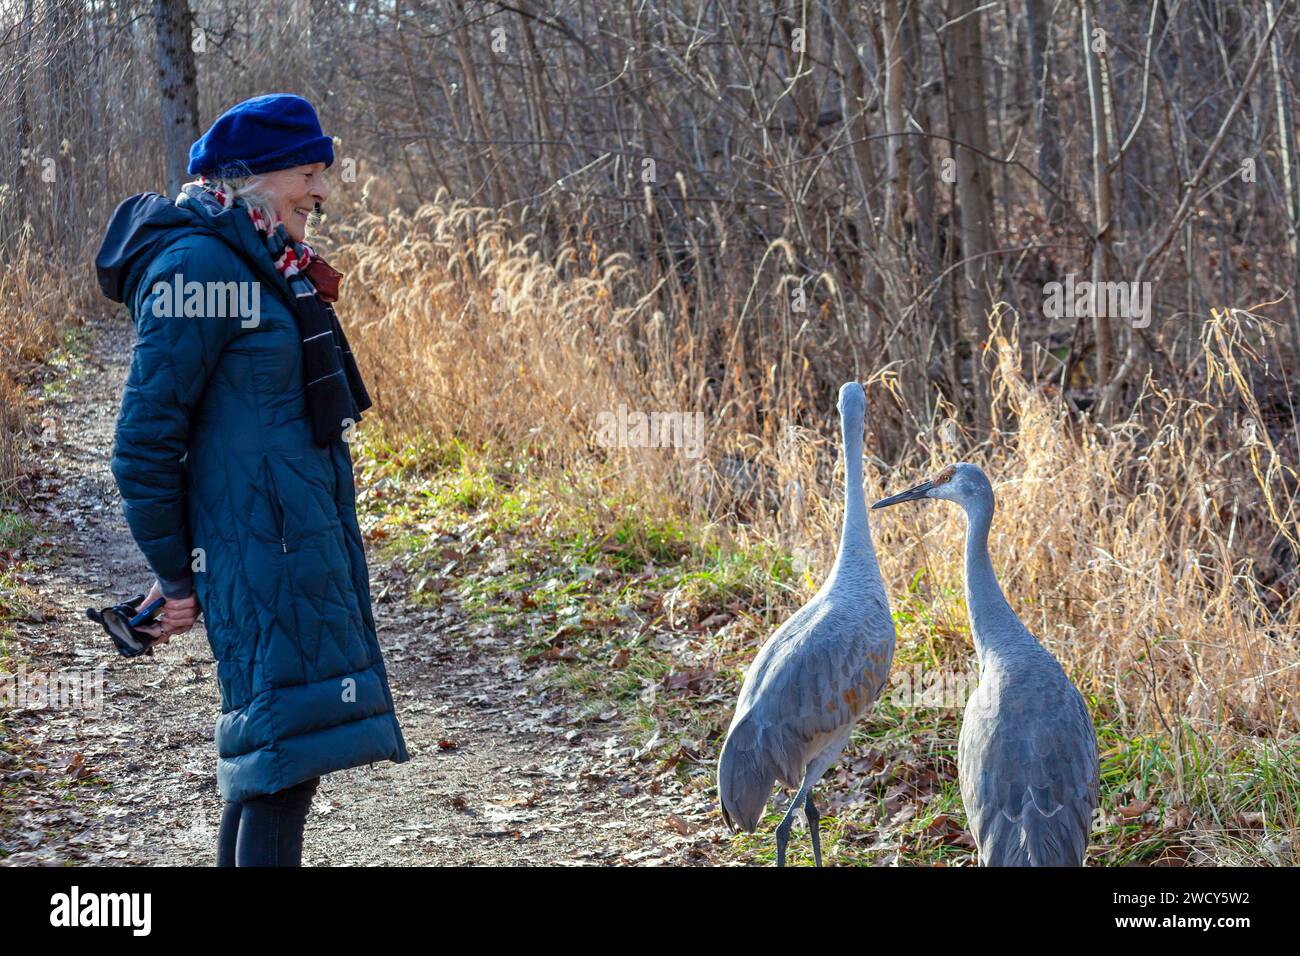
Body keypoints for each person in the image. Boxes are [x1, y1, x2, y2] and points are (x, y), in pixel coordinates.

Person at [94, 93, 410, 866]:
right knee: (279, 766)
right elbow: (141, 442)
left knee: (273, 764)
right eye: (310, 172)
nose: (323, 193)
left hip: (286, 552)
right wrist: (177, 575)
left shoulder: (263, 263)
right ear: (256, 178)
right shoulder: (200, 265)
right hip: (260, 557)